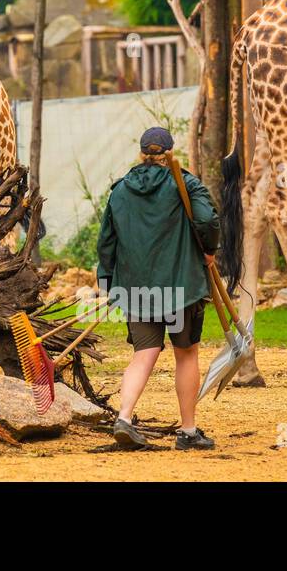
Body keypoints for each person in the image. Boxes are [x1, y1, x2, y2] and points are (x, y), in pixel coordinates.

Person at [95, 127, 219, 450]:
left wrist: (106, 282)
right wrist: (209, 249)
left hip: (138, 291)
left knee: (143, 353)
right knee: (186, 353)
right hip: (181, 288)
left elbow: (106, 241)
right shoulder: (184, 183)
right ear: (169, 155)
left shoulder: (120, 191)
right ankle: (188, 432)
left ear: (141, 154)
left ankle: (123, 418)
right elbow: (206, 219)